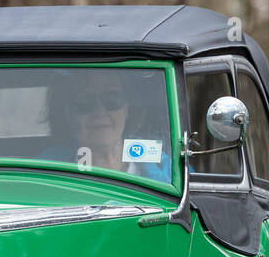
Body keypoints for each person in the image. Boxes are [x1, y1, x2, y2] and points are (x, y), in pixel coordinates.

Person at [42, 69, 172, 182]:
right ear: (67, 114)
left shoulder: (167, 169)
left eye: (112, 98)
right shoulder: (44, 173)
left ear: (128, 108)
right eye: (84, 101)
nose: (100, 112)